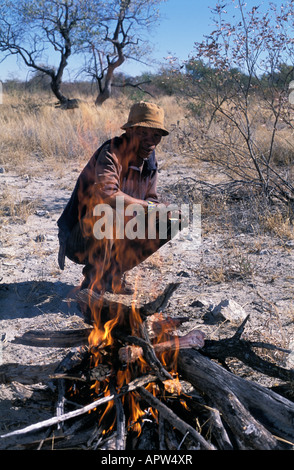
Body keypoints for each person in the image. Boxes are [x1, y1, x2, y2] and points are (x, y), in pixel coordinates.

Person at [57, 101, 180, 302]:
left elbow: (151, 198)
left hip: (120, 231)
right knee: (108, 212)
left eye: (156, 135)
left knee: (174, 218)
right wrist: (151, 208)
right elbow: (107, 195)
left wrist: (160, 210)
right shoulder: (111, 152)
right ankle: (93, 287)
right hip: (81, 239)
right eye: (143, 133)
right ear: (130, 131)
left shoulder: (149, 161)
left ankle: (113, 273)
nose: (150, 141)